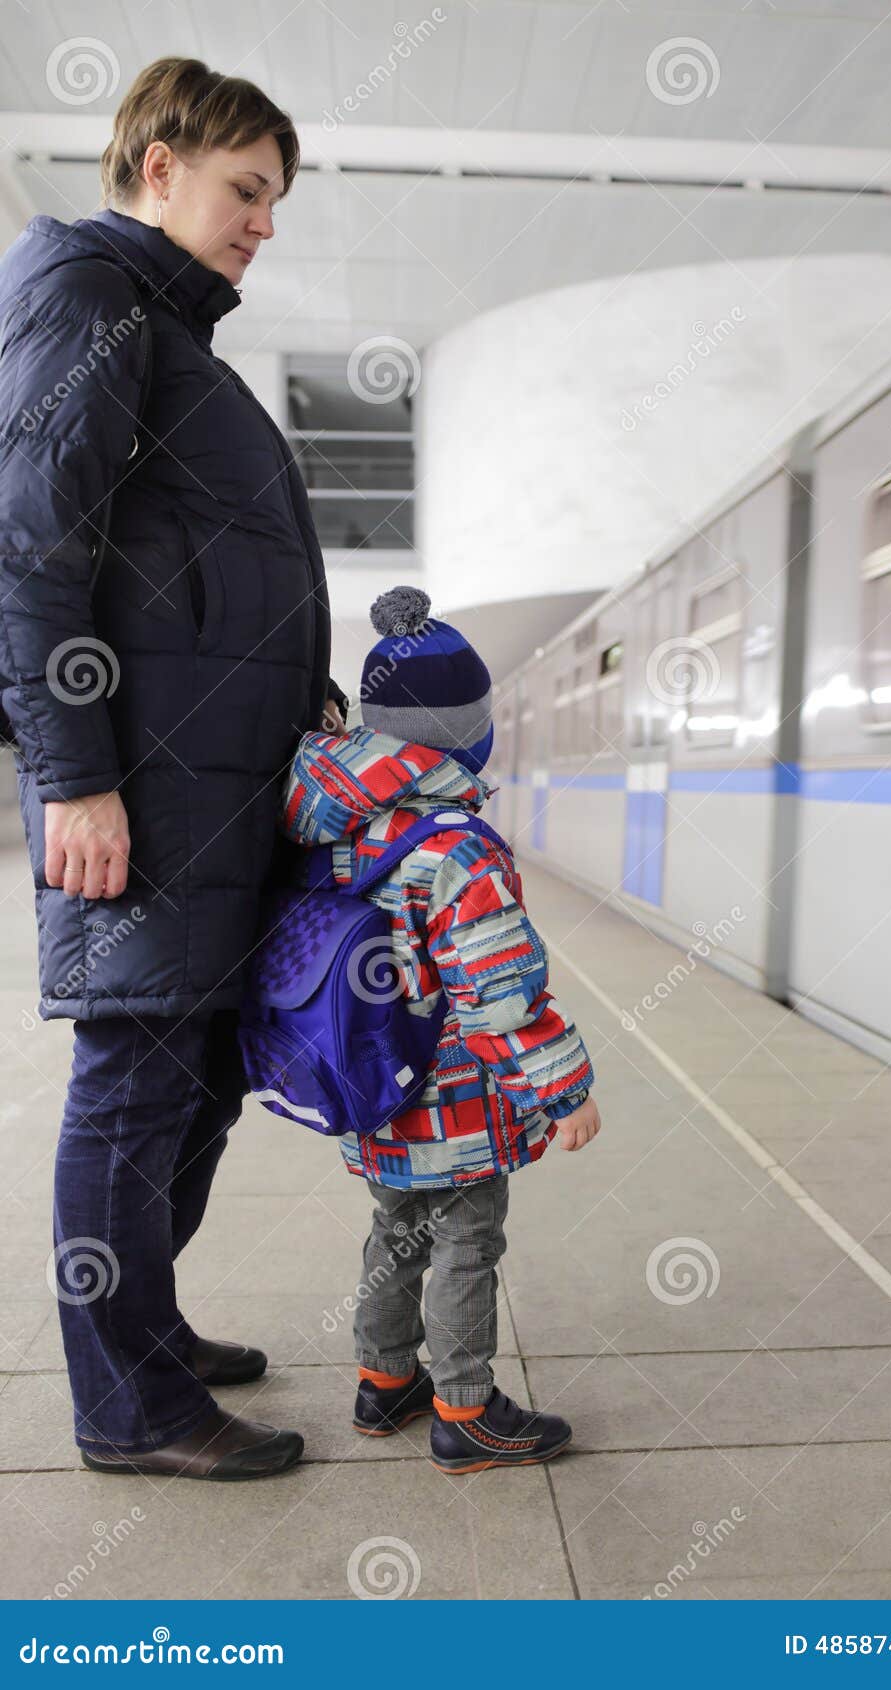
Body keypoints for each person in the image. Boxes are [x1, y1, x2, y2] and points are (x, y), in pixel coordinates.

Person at [0, 58, 348, 1479]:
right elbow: (31, 546)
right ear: (157, 164)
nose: (263, 222)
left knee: (196, 1076)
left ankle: (143, 1321)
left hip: (209, 784)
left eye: (274, 198)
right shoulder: (86, 297)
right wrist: (72, 772)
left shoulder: (159, 327)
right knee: (139, 1080)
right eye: (244, 190)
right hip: (141, 787)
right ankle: (129, 1402)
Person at [280, 586, 601, 1473]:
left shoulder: (327, 829)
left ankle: (383, 1385)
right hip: (454, 1095)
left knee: (396, 1228)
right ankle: (465, 1412)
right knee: (466, 1237)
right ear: (470, 734)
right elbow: (499, 991)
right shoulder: (458, 847)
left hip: (366, 1080)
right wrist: (563, 1087)